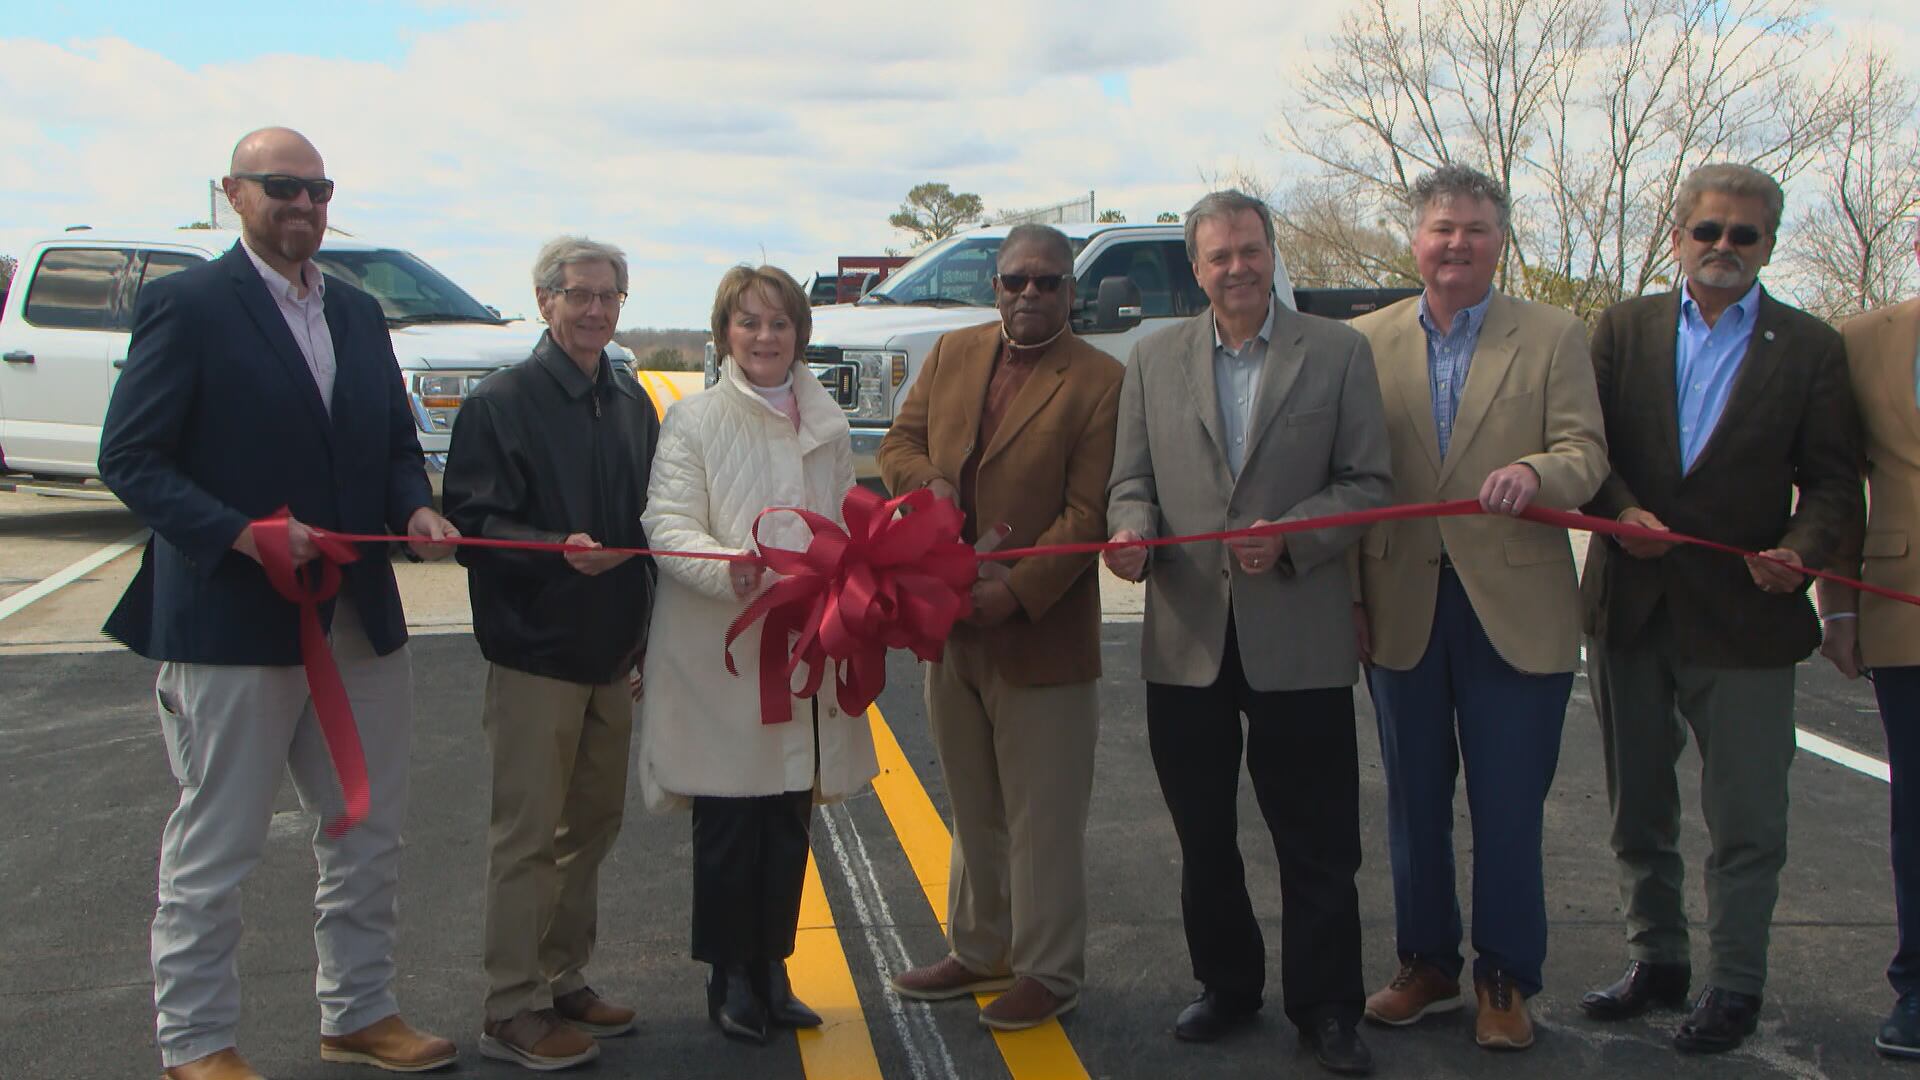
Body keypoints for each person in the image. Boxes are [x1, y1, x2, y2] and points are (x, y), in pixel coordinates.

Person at [98, 126, 460, 1080]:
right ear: (234, 193)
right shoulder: (187, 306)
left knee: (367, 827)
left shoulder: (354, 311)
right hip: (233, 624)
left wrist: (415, 506)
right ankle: (196, 1045)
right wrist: (236, 532)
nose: (302, 204)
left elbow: (388, 442)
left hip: (356, 621)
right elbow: (129, 460)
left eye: (317, 188)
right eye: (281, 187)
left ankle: (359, 1011)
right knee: (218, 844)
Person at [1105, 189, 1392, 1076]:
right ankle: (1227, 986)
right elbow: (1131, 483)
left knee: (1317, 839)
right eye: (1219, 255)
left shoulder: (1338, 354)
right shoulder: (1152, 361)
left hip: (1297, 636)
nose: (1237, 268)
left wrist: (1296, 535)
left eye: (1251, 251)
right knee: (1204, 833)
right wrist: (1130, 533)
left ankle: (1328, 1008)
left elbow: (1370, 482)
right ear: (1195, 268)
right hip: (1187, 636)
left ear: (1274, 255)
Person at [1579, 162, 1864, 1054]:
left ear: (1769, 245)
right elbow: (1584, 450)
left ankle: (1734, 983)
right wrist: (1622, 511)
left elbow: (1832, 483)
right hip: (1631, 604)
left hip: (1747, 616)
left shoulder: (1812, 348)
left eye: (1744, 235)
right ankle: (1656, 959)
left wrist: (1804, 553)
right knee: (1639, 810)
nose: (1723, 249)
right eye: (1708, 231)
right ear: (1677, 238)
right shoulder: (1620, 332)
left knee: (1746, 822)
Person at [1348, 165, 1607, 1051]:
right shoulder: (1364, 342)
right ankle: (1425, 965)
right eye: (1442, 229)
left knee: (1507, 804)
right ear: (1414, 239)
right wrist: (1349, 597)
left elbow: (1586, 450)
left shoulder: (1554, 334)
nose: (1457, 244)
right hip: (1401, 603)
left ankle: (1505, 977)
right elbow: (1347, 481)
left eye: (1477, 230)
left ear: (1501, 241)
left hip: (1516, 606)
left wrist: (1539, 472)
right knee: (1413, 799)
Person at [877, 224, 1123, 1030]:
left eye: (1047, 282)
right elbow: (899, 445)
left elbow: (1087, 513)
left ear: (1070, 291)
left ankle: (1049, 971)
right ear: (995, 284)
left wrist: (1014, 591)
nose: (1029, 294)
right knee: (972, 804)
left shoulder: (1099, 380)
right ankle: (980, 949)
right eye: (1016, 280)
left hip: (1040, 632)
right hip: (949, 625)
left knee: (1042, 817)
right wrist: (934, 490)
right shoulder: (952, 354)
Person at [637, 265, 877, 1045]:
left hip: (806, 643)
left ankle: (773, 967)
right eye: (749, 323)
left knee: (787, 814)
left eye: (779, 324)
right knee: (729, 819)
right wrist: (727, 566)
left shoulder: (828, 423)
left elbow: (842, 518)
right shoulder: (695, 422)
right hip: (726, 649)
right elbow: (667, 524)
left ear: (799, 333)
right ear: (724, 335)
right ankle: (728, 978)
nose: (765, 337)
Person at [442, 237, 660, 1070]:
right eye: (580, 295)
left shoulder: (632, 404)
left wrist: (644, 631)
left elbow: (647, 524)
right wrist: (552, 548)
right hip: (535, 653)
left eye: (610, 297)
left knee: (593, 826)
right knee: (527, 836)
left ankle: (563, 976)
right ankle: (511, 1006)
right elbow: (473, 525)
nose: (596, 310)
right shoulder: (501, 403)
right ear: (544, 301)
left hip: (611, 653)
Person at [1816, 220, 1920, 1059]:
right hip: (1903, 604)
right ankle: (1918, 987)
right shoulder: (1862, 342)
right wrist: (1839, 605)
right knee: (1917, 810)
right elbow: (1836, 488)